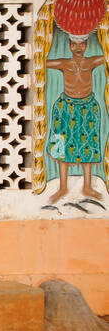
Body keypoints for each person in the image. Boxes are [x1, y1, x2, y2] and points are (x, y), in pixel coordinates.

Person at [46, 31, 107, 204]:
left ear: (86, 45)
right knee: (61, 145)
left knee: (88, 144)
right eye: (74, 44)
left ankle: (87, 186)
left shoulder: (92, 61)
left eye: (81, 44)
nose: (78, 48)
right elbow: (41, 61)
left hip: (88, 108)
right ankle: (63, 187)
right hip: (66, 108)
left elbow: (106, 55)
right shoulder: (64, 63)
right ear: (69, 46)